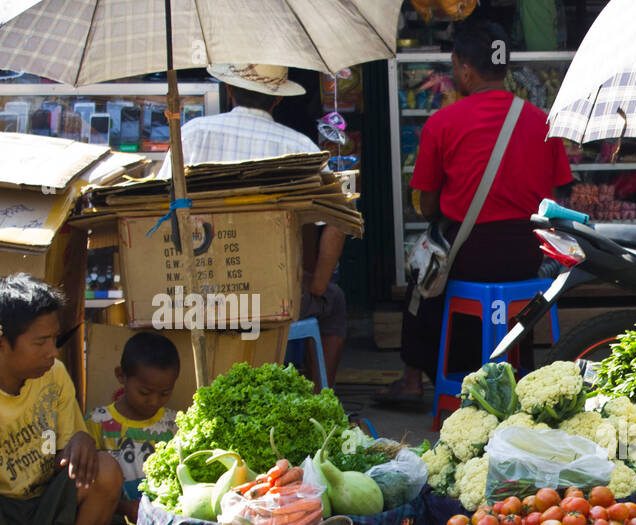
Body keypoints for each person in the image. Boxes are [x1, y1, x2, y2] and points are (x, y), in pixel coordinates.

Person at [378, 19, 573, 408]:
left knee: (423, 274)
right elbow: (560, 194)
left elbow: (429, 204)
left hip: (468, 258)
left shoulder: (442, 123)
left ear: (465, 69)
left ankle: (414, 379)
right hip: (527, 256)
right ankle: (514, 370)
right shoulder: (542, 121)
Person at [158, 64, 349, 388]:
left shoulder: (192, 134)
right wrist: (315, 286)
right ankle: (321, 399)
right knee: (335, 301)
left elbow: (159, 207)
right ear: (277, 101)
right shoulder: (300, 146)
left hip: (197, 292)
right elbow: (338, 221)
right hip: (274, 299)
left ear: (230, 91)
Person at [0, 274, 123, 525]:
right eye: (40, 342)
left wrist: (81, 439)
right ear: (2, 342)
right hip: (5, 521)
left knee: (105, 470)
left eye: (54, 339)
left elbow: (71, 443)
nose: (52, 352)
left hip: (43, 507)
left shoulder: (52, 374)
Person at [84, 332, 181, 525]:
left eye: (164, 393)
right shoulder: (97, 422)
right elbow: (83, 487)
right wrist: (120, 506)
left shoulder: (175, 426)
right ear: (121, 376)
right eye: (145, 392)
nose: (153, 401)